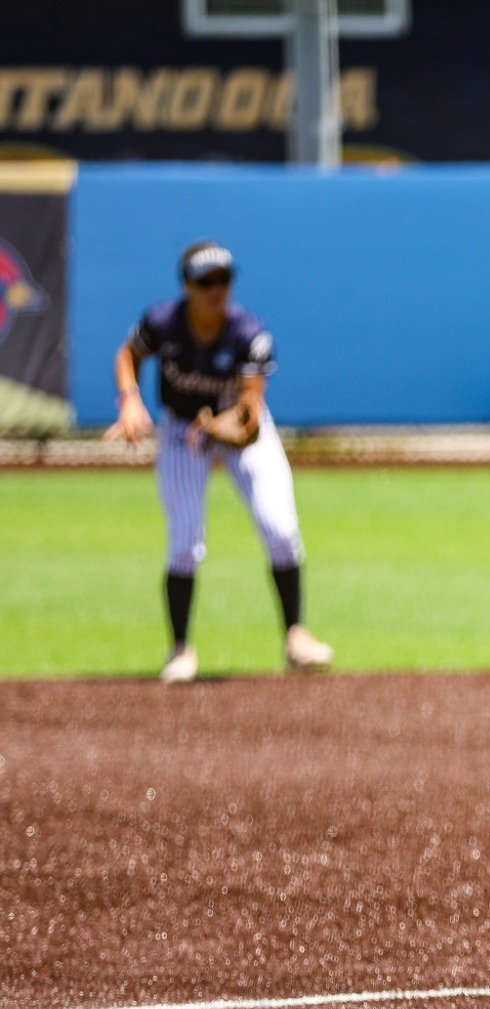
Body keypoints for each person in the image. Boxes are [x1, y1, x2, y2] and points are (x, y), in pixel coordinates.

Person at [103, 241, 334, 683]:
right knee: (186, 541)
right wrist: (130, 400)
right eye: (206, 281)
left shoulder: (248, 333)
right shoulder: (163, 321)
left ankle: (296, 636)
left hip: (239, 433)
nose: (216, 289)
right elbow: (127, 354)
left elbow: (248, 416)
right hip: (181, 430)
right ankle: (180, 650)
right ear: (186, 286)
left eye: (223, 279)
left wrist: (220, 428)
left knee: (281, 530)